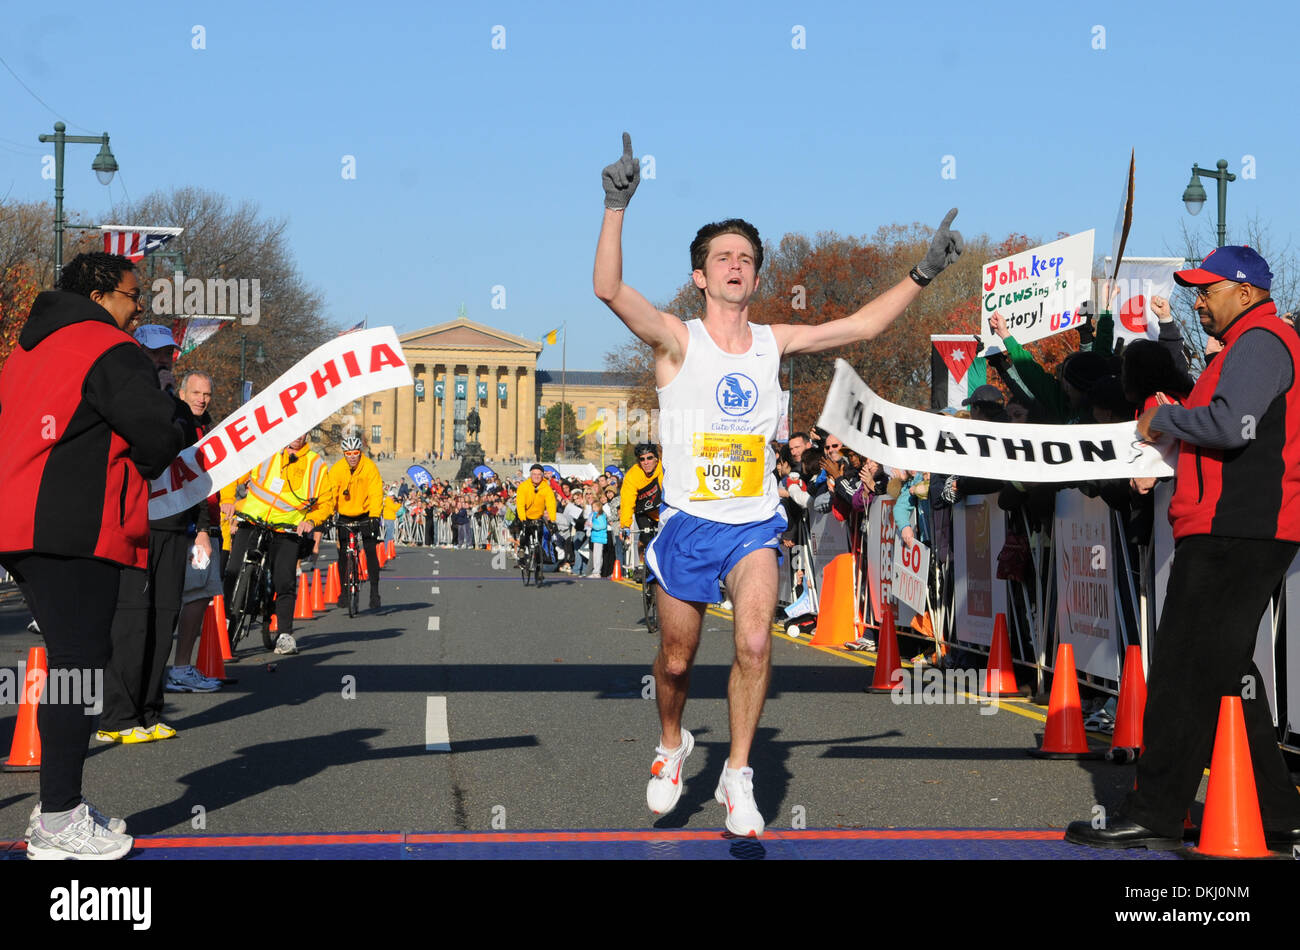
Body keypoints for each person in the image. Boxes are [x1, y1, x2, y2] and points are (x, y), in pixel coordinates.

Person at [594, 131, 962, 836]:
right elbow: (607, 289)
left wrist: (920, 274)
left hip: (754, 523)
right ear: (700, 276)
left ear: (756, 276)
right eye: (721, 258)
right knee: (674, 662)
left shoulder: (774, 341)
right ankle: (671, 746)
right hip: (686, 524)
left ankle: (738, 773)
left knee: (756, 645)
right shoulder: (677, 339)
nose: (735, 266)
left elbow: (857, 325)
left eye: (745, 258)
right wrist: (616, 206)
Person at [1066, 246, 1300, 852]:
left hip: (1236, 528)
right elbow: (1230, 426)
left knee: (1180, 670)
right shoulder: (1254, 342)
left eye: (1207, 289)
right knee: (1224, 673)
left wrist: (1164, 421)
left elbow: (1228, 426)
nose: (1198, 301)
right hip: (1241, 527)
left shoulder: (1260, 342)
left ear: (1245, 293)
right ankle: (1280, 814)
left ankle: (1156, 812)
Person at [0, 251, 184, 859]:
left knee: (70, 660)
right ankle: (58, 816)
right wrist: (169, 430)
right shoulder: (108, 347)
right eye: (135, 296)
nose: (139, 311)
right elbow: (156, 431)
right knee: (79, 663)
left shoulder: (27, 348)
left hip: (22, 519)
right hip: (75, 521)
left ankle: (60, 809)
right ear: (104, 293)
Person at [99, 329, 215, 741]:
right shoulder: (124, 395)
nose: (162, 361)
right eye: (155, 355)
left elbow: (193, 468)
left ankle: (149, 711)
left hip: (173, 527)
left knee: (164, 617)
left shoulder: (180, 411)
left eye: (167, 355)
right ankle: (117, 717)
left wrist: (201, 528)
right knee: (132, 621)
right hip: (134, 524)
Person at [223, 433, 334, 655]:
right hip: (252, 520)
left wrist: (311, 521)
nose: (296, 436)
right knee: (233, 570)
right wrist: (227, 500)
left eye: (303, 431)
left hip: (288, 529)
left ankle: (285, 634)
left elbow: (327, 501)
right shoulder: (265, 450)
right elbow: (233, 473)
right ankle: (225, 619)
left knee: (284, 579)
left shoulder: (316, 464)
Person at [328, 434, 383, 611]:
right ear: (344, 454)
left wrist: (375, 516)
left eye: (355, 453)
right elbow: (330, 494)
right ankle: (344, 591)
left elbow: (376, 492)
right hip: (345, 514)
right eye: (348, 453)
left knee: (370, 551)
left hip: (366, 514)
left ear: (360, 453)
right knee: (343, 554)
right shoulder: (337, 469)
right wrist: (329, 514)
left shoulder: (369, 467)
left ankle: (374, 592)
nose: (352, 456)